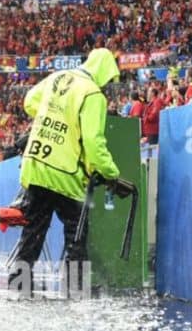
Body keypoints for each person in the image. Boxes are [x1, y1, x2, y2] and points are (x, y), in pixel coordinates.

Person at [9, 48, 121, 296]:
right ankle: (76, 286)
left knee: (33, 229)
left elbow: (29, 102)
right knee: (76, 231)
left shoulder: (58, 77)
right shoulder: (92, 94)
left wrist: (55, 114)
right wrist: (111, 173)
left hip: (37, 164)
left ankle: (19, 281)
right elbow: (93, 142)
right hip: (65, 172)